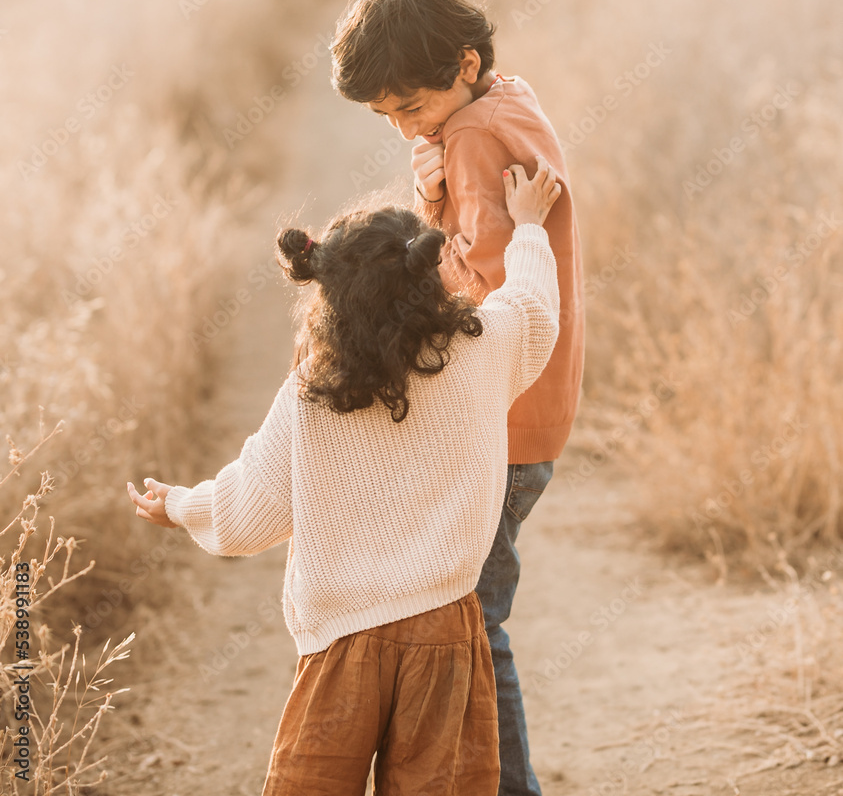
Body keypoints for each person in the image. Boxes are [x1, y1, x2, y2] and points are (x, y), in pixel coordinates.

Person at [126, 159, 562, 796]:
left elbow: (246, 515)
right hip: (445, 636)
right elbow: (534, 311)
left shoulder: (310, 397)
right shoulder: (484, 351)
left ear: (327, 295)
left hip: (341, 646)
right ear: (432, 273)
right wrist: (527, 228)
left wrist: (184, 506)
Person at [331, 0, 586, 796]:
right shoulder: (507, 100)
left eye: (411, 106)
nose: (403, 125)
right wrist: (434, 188)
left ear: (465, 66)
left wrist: (430, 218)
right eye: (387, 115)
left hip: (495, 415)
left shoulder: (473, 136)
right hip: (532, 407)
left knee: (476, 625)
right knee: (475, 615)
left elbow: (482, 292)